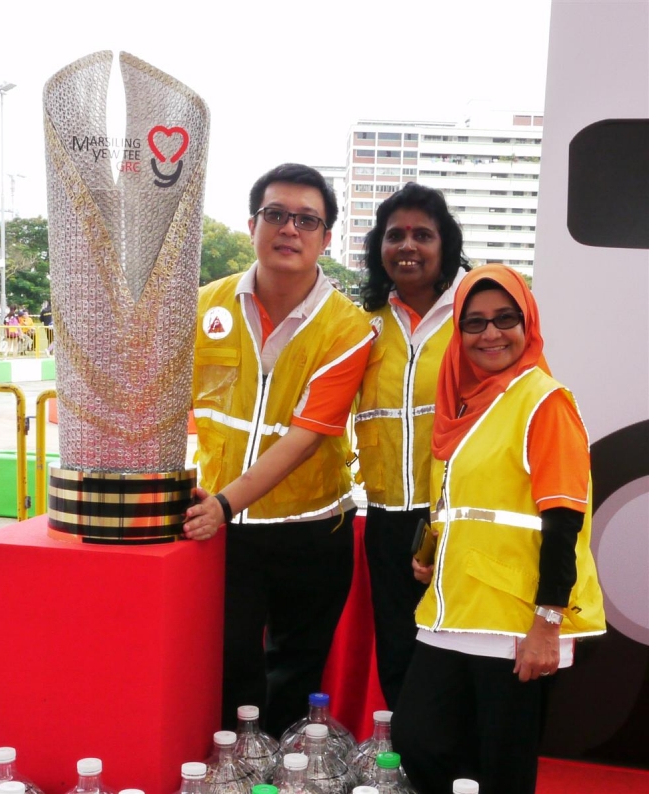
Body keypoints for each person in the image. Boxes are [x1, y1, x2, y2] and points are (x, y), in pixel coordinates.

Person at [391, 264, 606, 794]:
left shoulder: (545, 403)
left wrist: (546, 625)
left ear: (527, 324)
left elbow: (563, 523)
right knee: (419, 739)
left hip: (515, 621)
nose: (490, 334)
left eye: (505, 319)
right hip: (453, 607)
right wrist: (431, 550)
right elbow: (460, 503)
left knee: (501, 767)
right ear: (458, 332)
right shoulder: (464, 404)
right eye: (475, 322)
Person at [183, 163, 375, 737]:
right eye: (276, 214)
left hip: (312, 529)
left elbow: (304, 436)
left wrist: (224, 503)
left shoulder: (348, 328)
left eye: (306, 219)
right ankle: (235, 771)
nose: (289, 229)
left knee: (294, 674)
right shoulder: (202, 307)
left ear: (325, 237)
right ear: (252, 224)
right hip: (225, 532)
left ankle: (286, 774)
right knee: (228, 669)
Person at [355, 182, 470, 709]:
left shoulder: (476, 318)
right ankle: (406, 771)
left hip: (458, 518)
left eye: (422, 235)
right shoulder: (364, 326)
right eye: (395, 234)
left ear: (445, 244)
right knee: (398, 655)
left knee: (457, 656)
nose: (408, 246)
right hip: (388, 521)